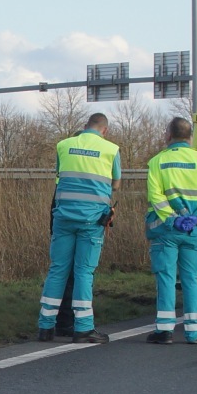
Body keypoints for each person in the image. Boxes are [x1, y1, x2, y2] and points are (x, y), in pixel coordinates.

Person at [35, 112, 121, 343]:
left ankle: (45, 326)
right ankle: (83, 327)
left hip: (63, 216)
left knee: (57, 269)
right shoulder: (111, 149)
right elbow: (116, 183)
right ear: (105, 130)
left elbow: (59, 175)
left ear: (85, 126)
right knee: (83, 272)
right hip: (91, 220)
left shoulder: (63, 145)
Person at [144, 116, 197, 344]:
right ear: (190, 137)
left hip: (167, 231)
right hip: (193, 231)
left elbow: (156, 197)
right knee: (191, 280)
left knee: (166, 278)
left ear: (168, 135)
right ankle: (193, 332)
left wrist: (173, 219)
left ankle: (165, 331)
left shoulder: (157, 162)